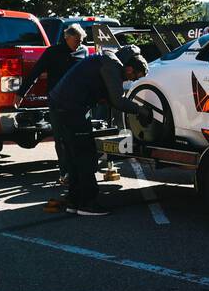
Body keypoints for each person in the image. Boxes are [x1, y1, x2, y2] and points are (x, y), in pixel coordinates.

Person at [50, 45, 151, 216]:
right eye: (134, 76)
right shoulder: (112, 65)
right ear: (129, 68)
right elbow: (118, 101)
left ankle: (74, 201)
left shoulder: (107, 59)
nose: (131, 80)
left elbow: (109, 97)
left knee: (75, 156)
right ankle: (87, 204)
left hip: (61, 106)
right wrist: (141, 110)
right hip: (72, 108)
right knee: (85, 155)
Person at [18, 23, 87, 201]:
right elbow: (35, 73)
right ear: (67, 37)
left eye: (81, 40)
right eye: (76, 40)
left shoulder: (83, 52)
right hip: (57, 102)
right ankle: (65, 172)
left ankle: (78, 171)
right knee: (61, 138)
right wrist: (20, 94)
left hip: (78, 102)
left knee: (78, 137)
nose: (79, 44)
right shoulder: (52, 53)